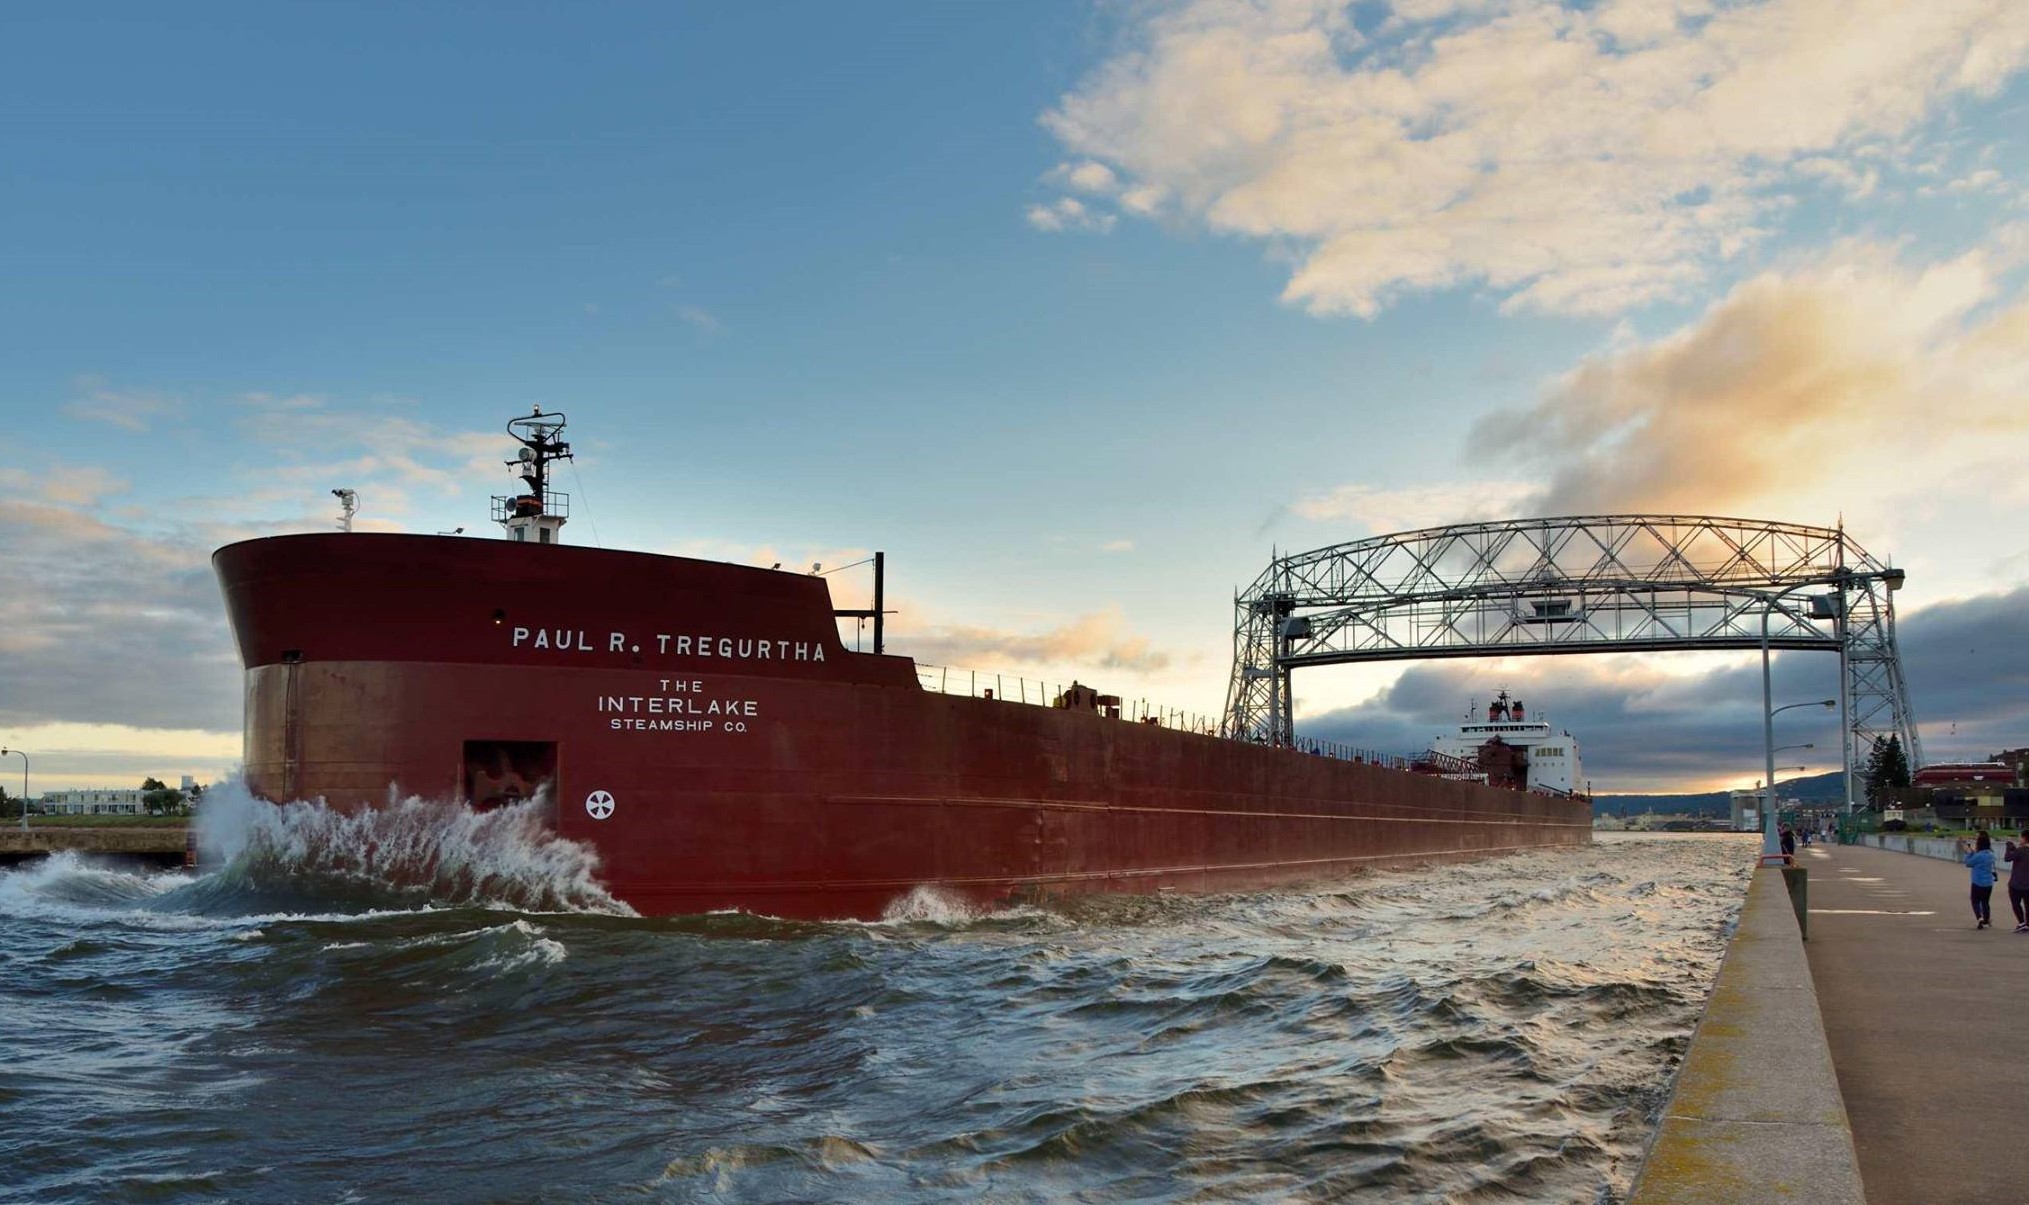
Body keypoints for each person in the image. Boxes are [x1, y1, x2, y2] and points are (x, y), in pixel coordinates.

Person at [1961, 831, 1998, 930]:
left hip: (1977, 882)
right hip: (1988, 883)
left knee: (1975, 901)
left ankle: (1979, 917)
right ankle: (1986, 919)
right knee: (1985, 902)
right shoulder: (1991, 855)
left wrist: (1969, 853)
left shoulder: (1978, 855)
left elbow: (1968, 863)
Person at [2005, 829, 2029, 934]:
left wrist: (2009, 847)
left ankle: (2021, 922)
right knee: (2028, 905)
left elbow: (2007, 858)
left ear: (2024, 838)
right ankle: (2027, 924)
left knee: (2016, 904)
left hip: (2016, 883)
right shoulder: (2021, 850)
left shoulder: (2020, 850)